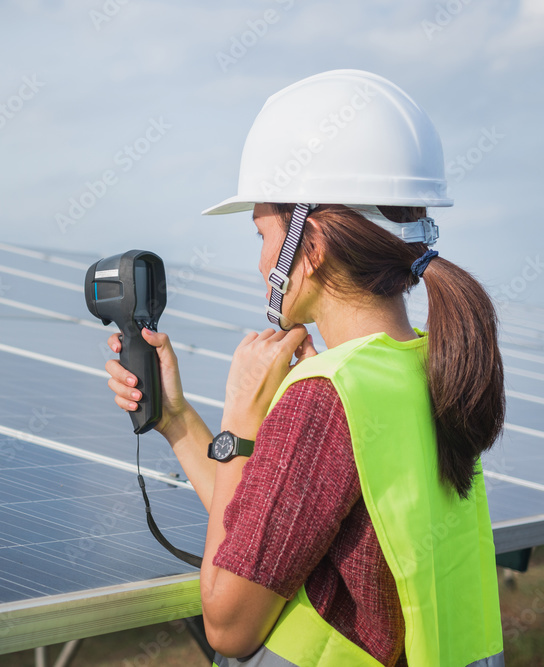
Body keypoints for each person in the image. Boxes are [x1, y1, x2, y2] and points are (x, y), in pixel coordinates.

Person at [104, 70, 505, 665]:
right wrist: (179, 421)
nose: (261, 260)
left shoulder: (326, 398)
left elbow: (227, 625)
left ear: (308, 247)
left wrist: (240, 423)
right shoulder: (426, 364)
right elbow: (270, 534)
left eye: (263, 234)